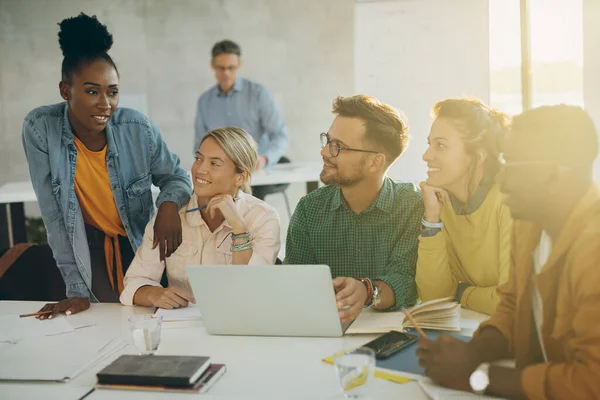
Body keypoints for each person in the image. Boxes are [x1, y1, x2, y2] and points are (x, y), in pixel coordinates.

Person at [417, 105, 600, 399]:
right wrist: (471, 353)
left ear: (555, 176)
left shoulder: (594, 248)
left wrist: (477, 377)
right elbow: (513, 306)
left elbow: (591, 382)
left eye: (512, 166)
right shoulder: (529, 224)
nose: (501, 179)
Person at [22, 13, 192, 317]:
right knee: (106, 318)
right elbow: (54, 216)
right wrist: (75, 287)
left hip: (142, 241)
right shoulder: (40, 128)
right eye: (91, 91)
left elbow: (176, 177)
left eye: (112, 91)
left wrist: (167, 206)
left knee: (159, 315)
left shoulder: (137, 128)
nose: (105, 104)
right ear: (65, 91)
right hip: (87, 247)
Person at [285, 95, 422, 324]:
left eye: (338, 146)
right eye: (328, 141)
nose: (325, 152)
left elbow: (406, 280)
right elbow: (296, 284)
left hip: (392, 336)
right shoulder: (309, 209)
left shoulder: (410, 204)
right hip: (322, 333)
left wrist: (367, 292)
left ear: (375, 163)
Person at [121, 127, 281, 309]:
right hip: (181, 326)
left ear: (241, 177)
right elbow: (134, 282)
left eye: (214, 164)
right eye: (198, 159)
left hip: (240, 325)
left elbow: (253, 290)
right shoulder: (172, 216)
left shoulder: (263, 218)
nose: (199, 169)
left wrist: (238, 227)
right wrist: (154, 293)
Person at [416, 98, 512, 315]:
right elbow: (434, 298)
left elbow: (512, 302)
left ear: (478, 155)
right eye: (429, 144)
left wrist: (462, 294)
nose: (426, 156)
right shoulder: (444, 204)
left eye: (440, 145)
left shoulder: (512, 201)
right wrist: (431, 221)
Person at [193, 39, 288, 200]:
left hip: (255, 172)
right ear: (212, 66)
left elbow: (279, 134)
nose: (226, 73)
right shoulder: (205, 101)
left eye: (231, 68)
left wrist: (264, 159)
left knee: (249, 205)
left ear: (240, 64)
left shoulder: (258, 94)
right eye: (221, 68)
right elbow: (199, 144)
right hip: (220, 173)